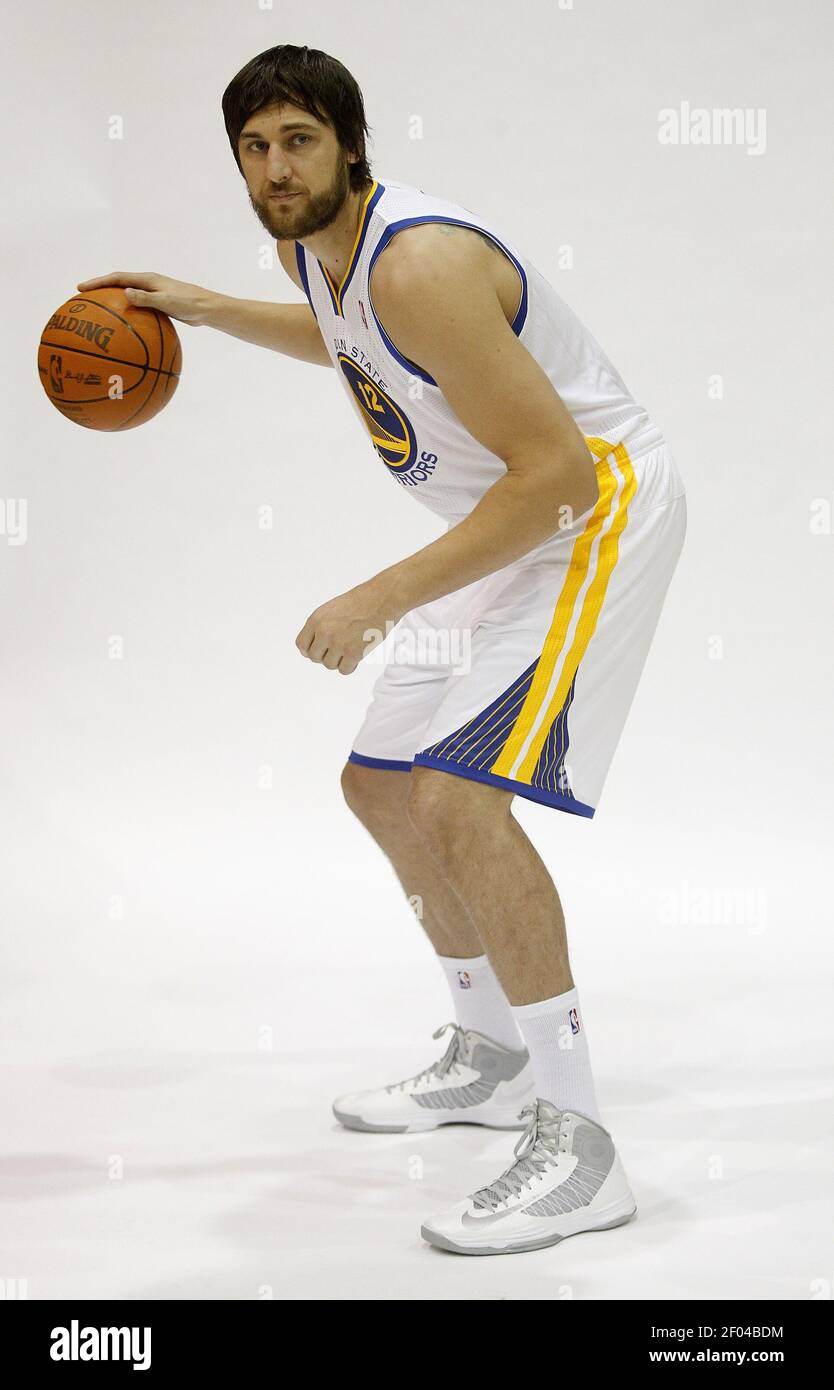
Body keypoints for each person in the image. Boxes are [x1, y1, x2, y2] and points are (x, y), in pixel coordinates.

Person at [77, 43, 687, 1257]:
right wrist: (201, 308)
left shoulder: (418, 263)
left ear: (351, 144)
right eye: (253, 148)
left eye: (297, 141)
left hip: (587, 518)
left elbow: (558, 473)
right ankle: (494, 1052)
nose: (274, 168)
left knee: (459, 800)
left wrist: (378, 594)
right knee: (379, 786)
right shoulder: (322, 253)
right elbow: (351, 341)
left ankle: (582, 1143)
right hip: (508, 526)